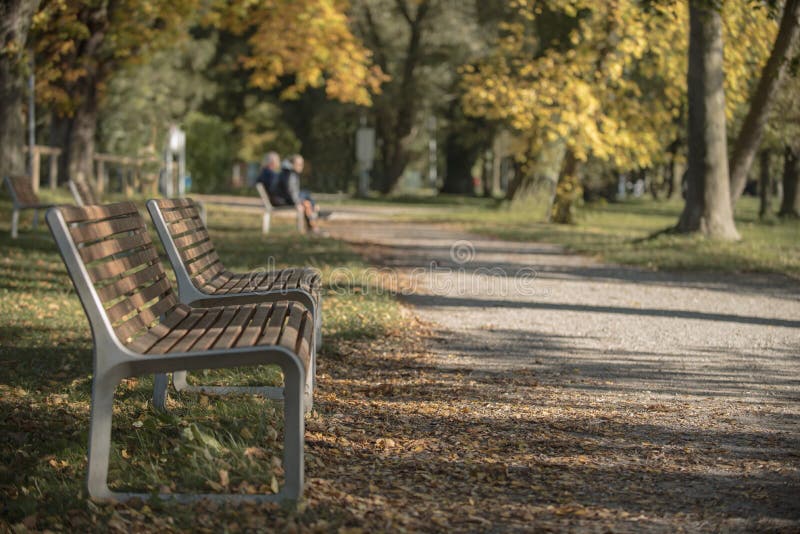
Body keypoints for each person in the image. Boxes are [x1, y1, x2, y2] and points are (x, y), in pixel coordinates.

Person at [273, 154, 320, 231]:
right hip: (283, 201)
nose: (301, 166)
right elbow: (290, 192)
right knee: (306, 203)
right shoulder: (290, 174)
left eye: (302, 164)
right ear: (292, 164)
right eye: (299, 164)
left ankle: (313, 223)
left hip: (282, 199)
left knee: (305, 195)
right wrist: (297, 203)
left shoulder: (286, 172)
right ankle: (313, 226)